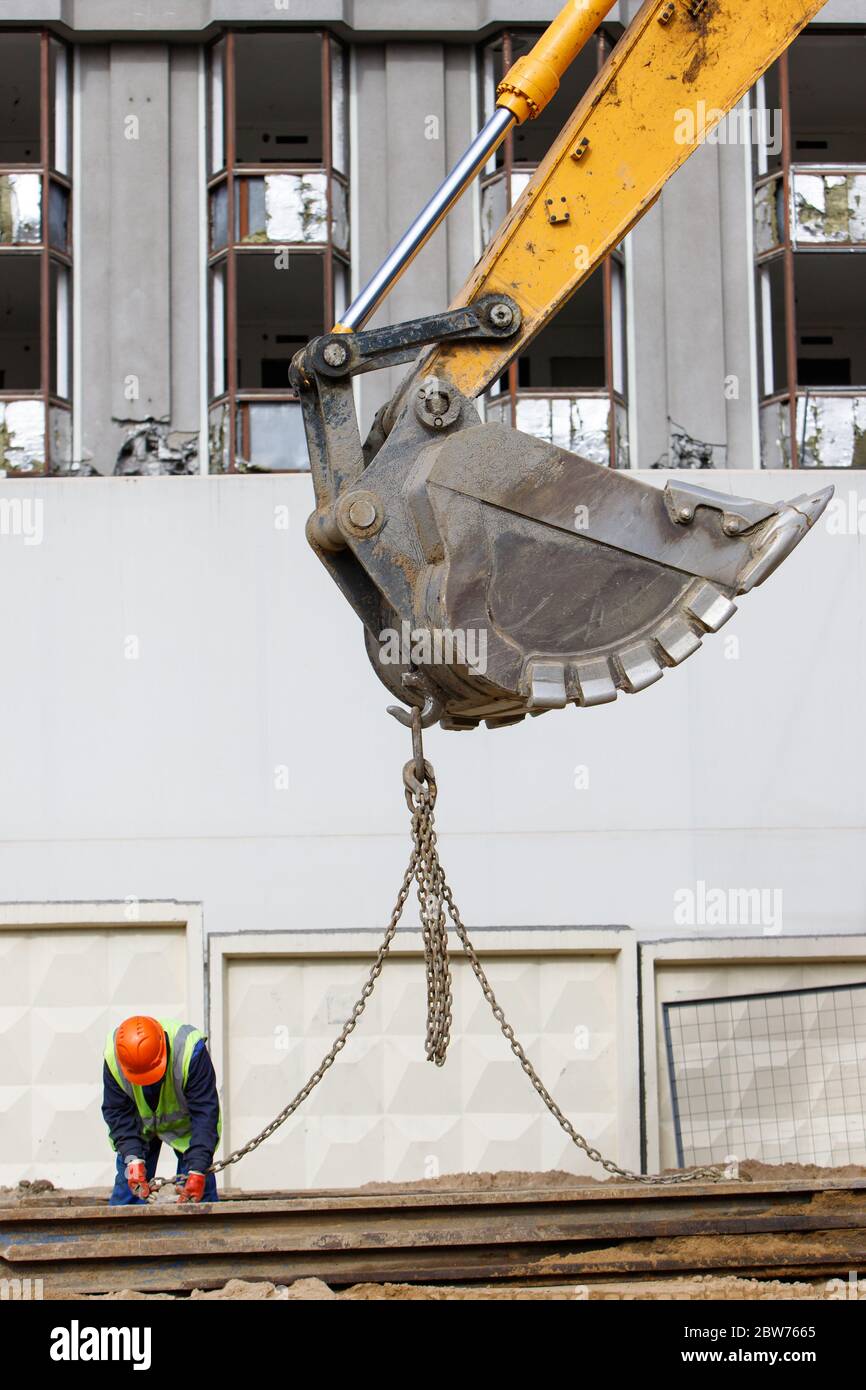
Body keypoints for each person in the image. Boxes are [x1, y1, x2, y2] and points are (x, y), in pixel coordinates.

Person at [102, 1015, 222, 1206]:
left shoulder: (191, 1051)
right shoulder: (115, 1058)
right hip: (139, 1126)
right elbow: (118, 1113)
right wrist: (133, 1160)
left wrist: (198, 1169)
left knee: (197, 1196)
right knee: (128, 1196)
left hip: (187, 1127)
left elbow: (205, 1114)